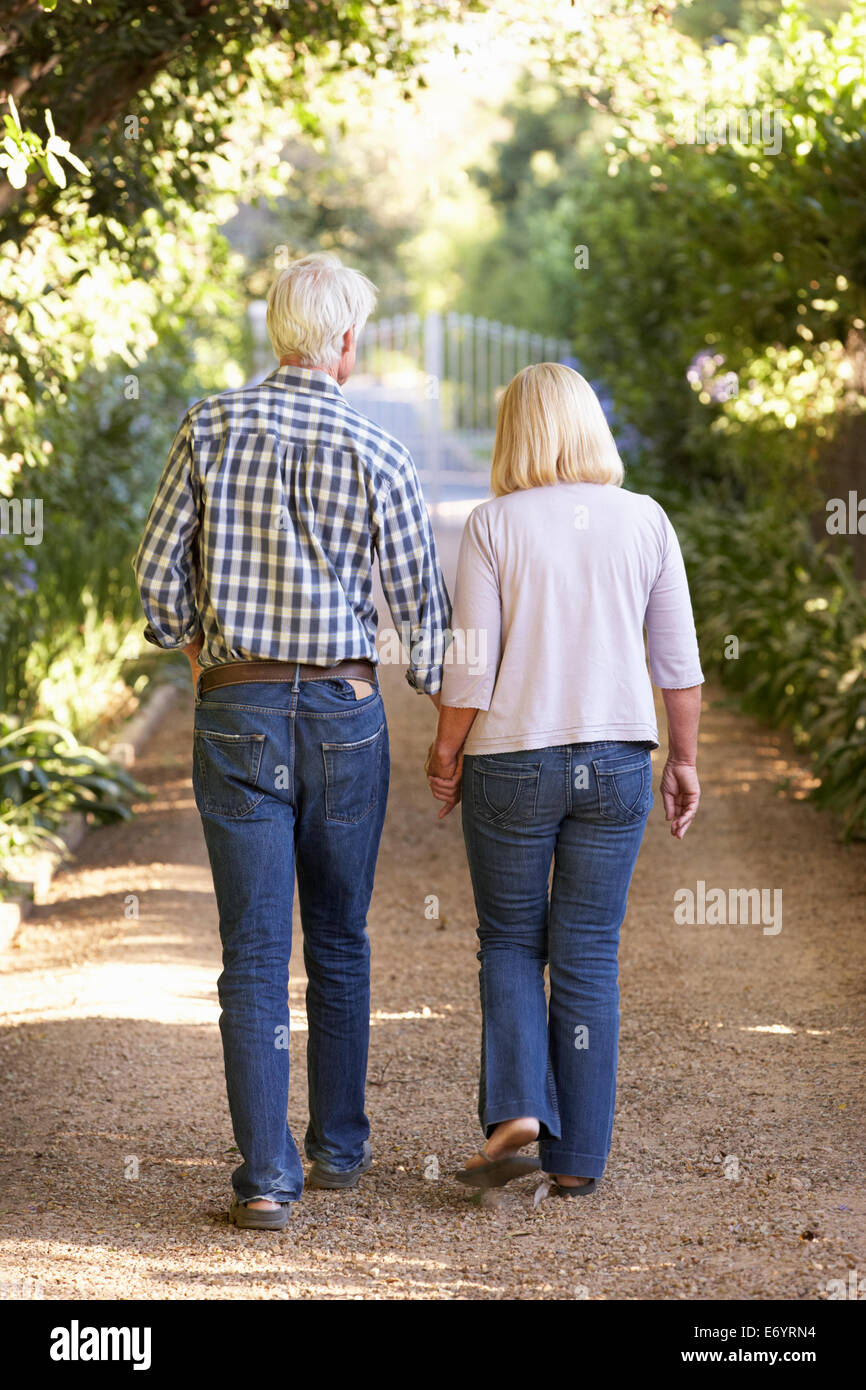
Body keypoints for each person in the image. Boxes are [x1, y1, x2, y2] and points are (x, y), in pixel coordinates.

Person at [134, 252, 451, 1229]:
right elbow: (429, 634)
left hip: (235, 709)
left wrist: (201, 647)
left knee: (254, 950)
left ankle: (267, 1176)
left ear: (277, 332)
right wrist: (458, 730)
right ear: (345, 343)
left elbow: (154, 596)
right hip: (344, 721)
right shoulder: (376, 447)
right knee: (340, 939)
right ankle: (338, 1149)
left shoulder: (207, 425)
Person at [426, 363, 703, 1196]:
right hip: (618, 761)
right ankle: (576, 1163)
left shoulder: (493, 524)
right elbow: (678, 663)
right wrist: (683, 760)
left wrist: (445, 756)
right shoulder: (646, 520)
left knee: (510, 939)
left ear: (514, 433)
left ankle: (515, 1106)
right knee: (588, 954)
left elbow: (471, 670)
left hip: (511, 761)